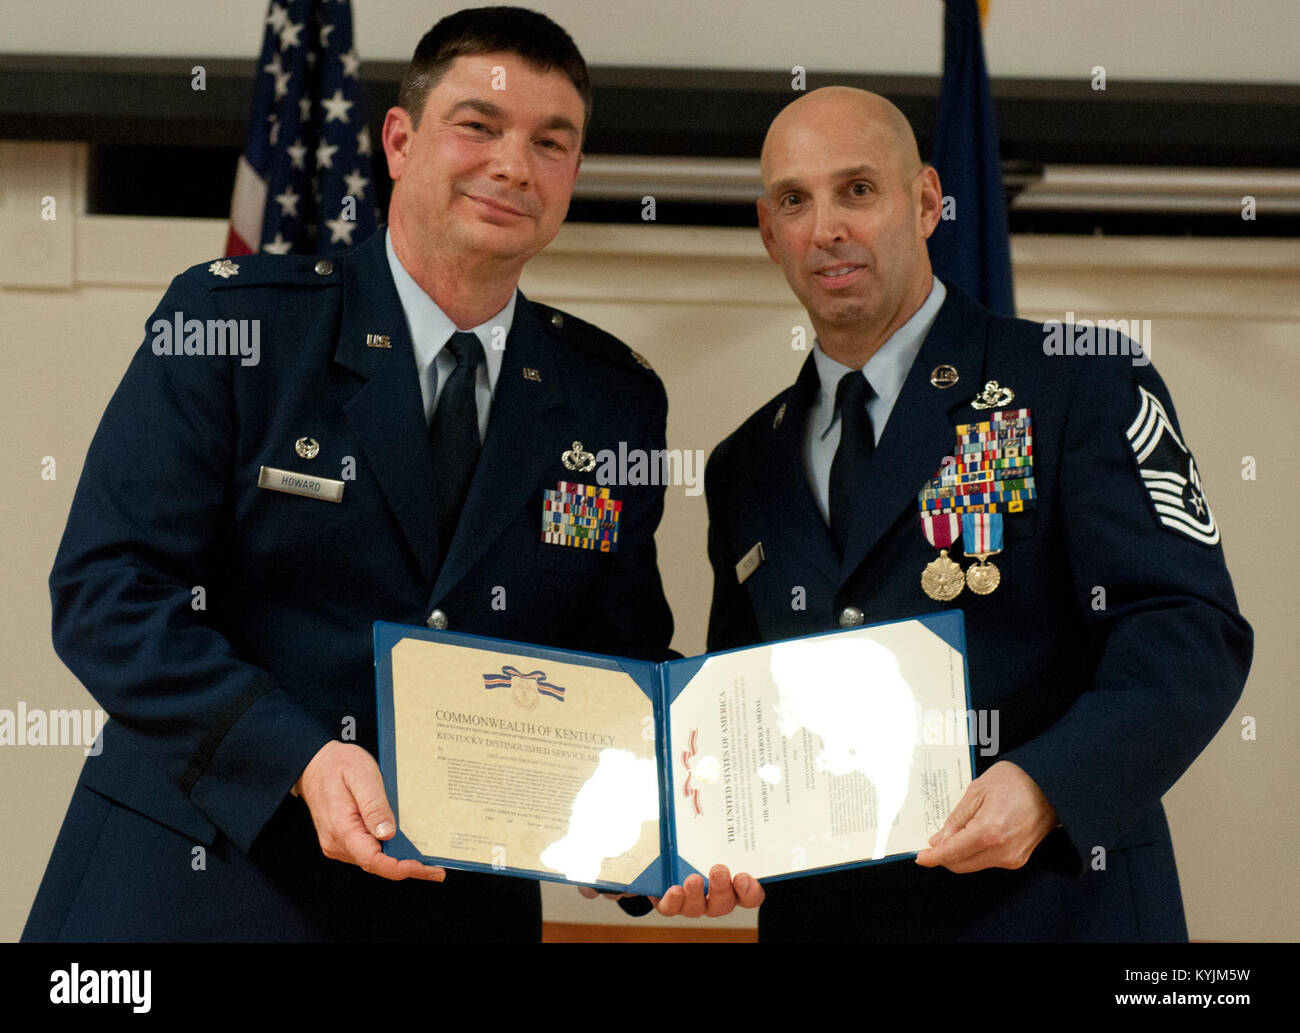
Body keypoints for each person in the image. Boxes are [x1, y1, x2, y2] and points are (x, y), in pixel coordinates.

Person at [24, 6, 750, 942]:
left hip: (451, 910)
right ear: (400, 141)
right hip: (199, 883)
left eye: (550, 142)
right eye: (478, 127)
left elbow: (617, 667)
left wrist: (667, 839)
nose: (512, 166)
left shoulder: (609, 399)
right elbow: (108, 592)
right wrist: (301, 757)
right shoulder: (238, 329)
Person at [703, 87, 1252, 941]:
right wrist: (682, 838)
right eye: (794, 200)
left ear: (926, 201)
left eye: (857, 189)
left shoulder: (1075, 381)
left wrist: (1048, 785)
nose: (827, 228)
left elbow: (1187, 630)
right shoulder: (746, 463)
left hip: (1051, 913)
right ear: (769, 232)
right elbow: (736, 699)